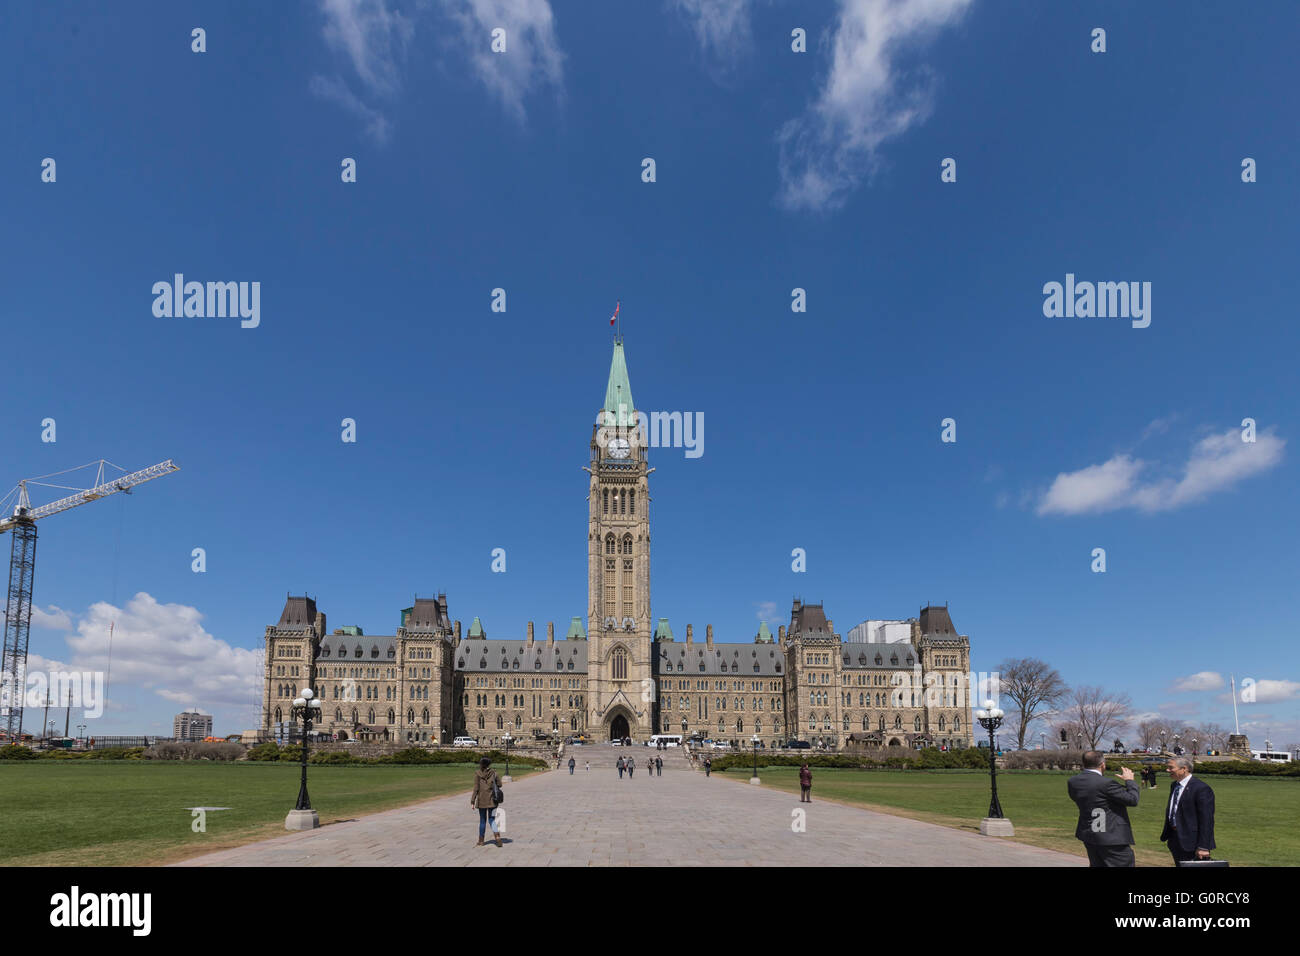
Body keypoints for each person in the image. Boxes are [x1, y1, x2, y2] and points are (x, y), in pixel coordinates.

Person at [1066, 751, 1139, 867]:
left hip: (1090, 834)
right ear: (1102, 765)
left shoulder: (1073, 781)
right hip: (1111, 837)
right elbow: (1132, 800)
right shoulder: (1107, 783)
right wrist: (1130, 781)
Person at [1160, 755, 1216, 864]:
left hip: (1192, 842)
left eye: (1171, 768)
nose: (1167, 770)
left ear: (1184, 769)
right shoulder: (1174, 785)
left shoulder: (1201, 789)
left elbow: (1206, 820)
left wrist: (1203, 846)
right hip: (1175, 839)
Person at [470, 756, 503, 847]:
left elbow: (476, 789)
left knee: (482, 820)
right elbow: (500, 784)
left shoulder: (478, 773)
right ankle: (497, 837)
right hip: (492, 800)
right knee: (492, 820)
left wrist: (472, 801)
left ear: (481, 764)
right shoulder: (494, 773)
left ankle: (481, 841)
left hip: (481, 800)